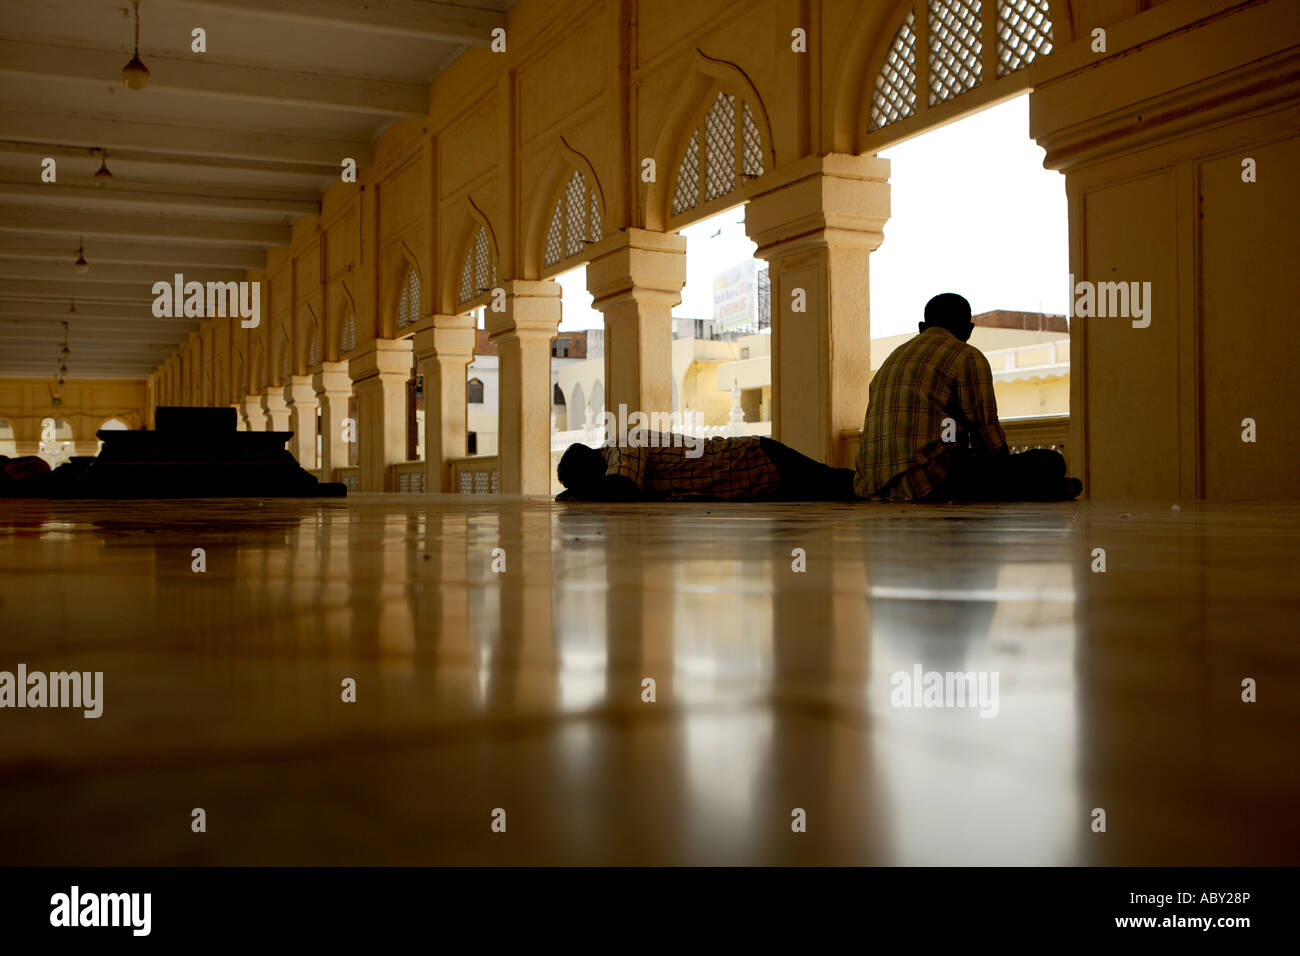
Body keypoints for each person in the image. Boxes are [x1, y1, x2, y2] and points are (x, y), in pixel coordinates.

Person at [855, 292, 1082, 502]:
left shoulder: (892, 359)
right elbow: (987, 435)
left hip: (873, 485)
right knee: (1049, 462)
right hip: (928, 483)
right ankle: (1044, 488)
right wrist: (1003, 472)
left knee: (984, 468)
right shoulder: (965, 356)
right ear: (968, 329)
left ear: (922, 327)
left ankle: (1037, 488)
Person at [557, 434, 856, 502]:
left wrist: (582, 495)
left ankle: (894, 485)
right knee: (835, 491)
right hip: (755, 479)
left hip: (757, 457)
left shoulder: (623, 446)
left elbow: (625, 488)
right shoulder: (614, 457)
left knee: (842, 484)